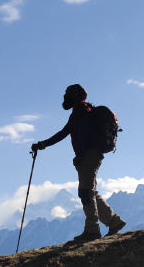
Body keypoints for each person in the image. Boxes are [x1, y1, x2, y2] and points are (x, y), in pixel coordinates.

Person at [31, 84, 126, 243]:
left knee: (85, 192)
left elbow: (77, 134)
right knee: (91, 192)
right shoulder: (82, 110)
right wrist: (44, 144)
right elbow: (65, 132)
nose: (64, 99)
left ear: (74, 96)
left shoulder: (80, 110)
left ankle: (92, 230)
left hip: (88, 155)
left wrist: (80, 155)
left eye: (67, 95)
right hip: (93, 154)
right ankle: (114, 222)